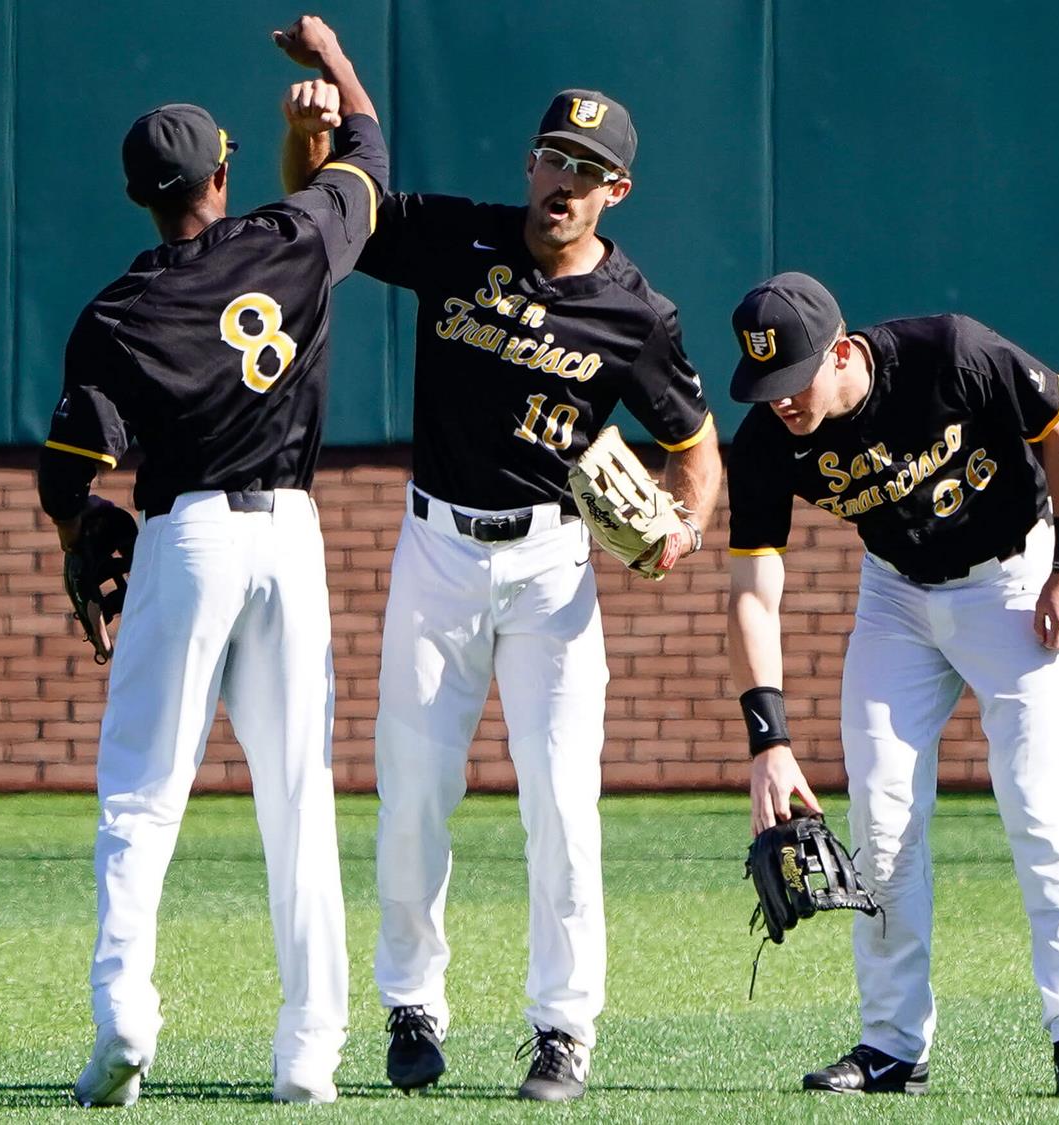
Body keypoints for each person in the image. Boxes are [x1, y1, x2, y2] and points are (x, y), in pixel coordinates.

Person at [288, 89, 723, 1101]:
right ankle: (409, 1005)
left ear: (617, 190)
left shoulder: (637, 315)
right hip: (435, 549)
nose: (562, 181)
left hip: (551, 569)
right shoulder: (452, 239)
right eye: (550, 157)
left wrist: (684, 526)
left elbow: (693, 446)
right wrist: (321, 119)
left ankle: (562, 1030)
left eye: (585, 169)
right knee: (413, 791)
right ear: (528, 165)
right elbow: (329, 212)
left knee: (563, 803)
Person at [37, 16, 386, 1108]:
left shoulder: (117, 312)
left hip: (185, 541)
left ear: (141, 194)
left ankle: (125, 1017)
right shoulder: (291, 237)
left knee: (140, 798)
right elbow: (370, 158)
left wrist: (77, 533)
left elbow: (69, 475)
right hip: (290, 536)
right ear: (221, 173)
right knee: (299, 799)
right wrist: (329, 65)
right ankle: (307, 1057)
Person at [722, 272, 1059, 1099]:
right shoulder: (765, 439)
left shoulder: (949, 353)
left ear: (839, 351)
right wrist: (770, 740)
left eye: (793, 380)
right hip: (897, 595)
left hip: (1013, 578)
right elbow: (754, 595)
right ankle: (892, 1042)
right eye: (765, 387)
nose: (782, 403)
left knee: (1037, 803)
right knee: (882, 819)